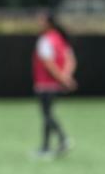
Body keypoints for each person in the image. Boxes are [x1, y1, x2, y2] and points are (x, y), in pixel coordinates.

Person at [33, 12, 77, 158]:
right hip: (55, 84)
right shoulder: (61, 39)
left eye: (41, 21)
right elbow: (70, 60)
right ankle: (45, 147)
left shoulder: (45, 40)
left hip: (45, 84)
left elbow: (49, 64)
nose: (38, 23)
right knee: (47, 114)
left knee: (47, 114)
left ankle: (63, 139)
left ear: (48, 23)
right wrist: (66, 77)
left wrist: (63, 78)